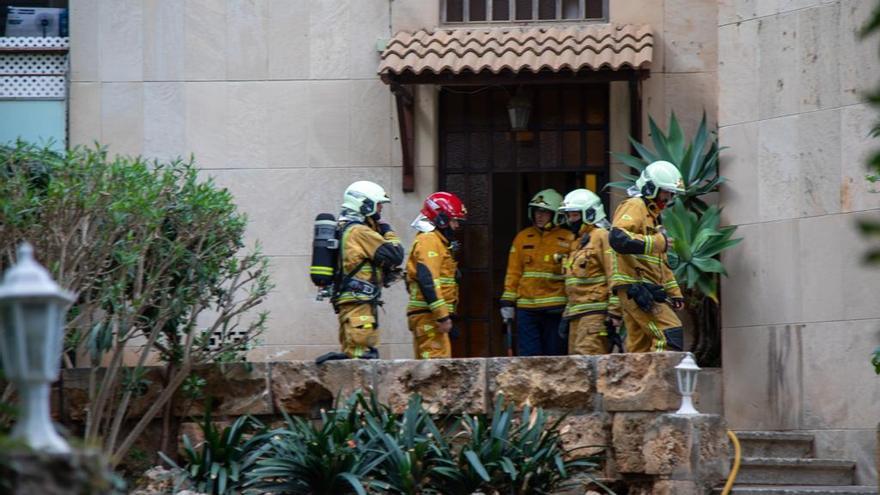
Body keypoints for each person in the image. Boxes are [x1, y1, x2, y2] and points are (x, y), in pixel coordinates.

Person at [608, 160, 685, 353]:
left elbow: (661, 264)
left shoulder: (654, 218)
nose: (668, 198)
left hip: (645, 287)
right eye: (666, 192)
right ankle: (661, 382)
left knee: (639, 348)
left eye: (671, 193)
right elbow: (618, 238)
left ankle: (635, 383)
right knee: (669, 333)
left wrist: (674, 293)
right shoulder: (635, 205)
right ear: (651, 188)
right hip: (635, 287)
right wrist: (658, 242)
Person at [330, 180, 404, 359]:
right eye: (378, 205)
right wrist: (386, 229)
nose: (380, 210)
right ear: (365, 204)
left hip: (356, 302)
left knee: (357, 354)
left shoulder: (347, 229)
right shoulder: (359, 232)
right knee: (360, 359)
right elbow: (395, 255)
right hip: (358, 305)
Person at [500, 188, 574, 356]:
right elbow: (513, 271)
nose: (539, 216)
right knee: (529, 357)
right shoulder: (523, 238)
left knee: (555, 356)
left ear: (555, 214)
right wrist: (507, 301)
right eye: (536, 212)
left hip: (555, 308)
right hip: (527, 307)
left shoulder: (569, 238)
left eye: (545, 212)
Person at [558, 189, 621, 355]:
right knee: (575, 368)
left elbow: (614, 274)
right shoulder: (578, 242)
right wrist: (567, 314)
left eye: (574, 215)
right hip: (576, 315)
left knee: (588, 363)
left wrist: (615, 312)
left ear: (590, 214)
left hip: (595, 316)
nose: (570, 220)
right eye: (568, 216)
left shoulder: (601, 236)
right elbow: (573, 282)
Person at [405, 192, 468, 359]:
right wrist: (442, 316)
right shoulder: (429, 240)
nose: (456, 226)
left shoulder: (436, 241)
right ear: (441, 219)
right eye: (454, 220)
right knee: (434, 371)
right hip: (430, 318)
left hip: (430, 316)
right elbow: (428, 280)